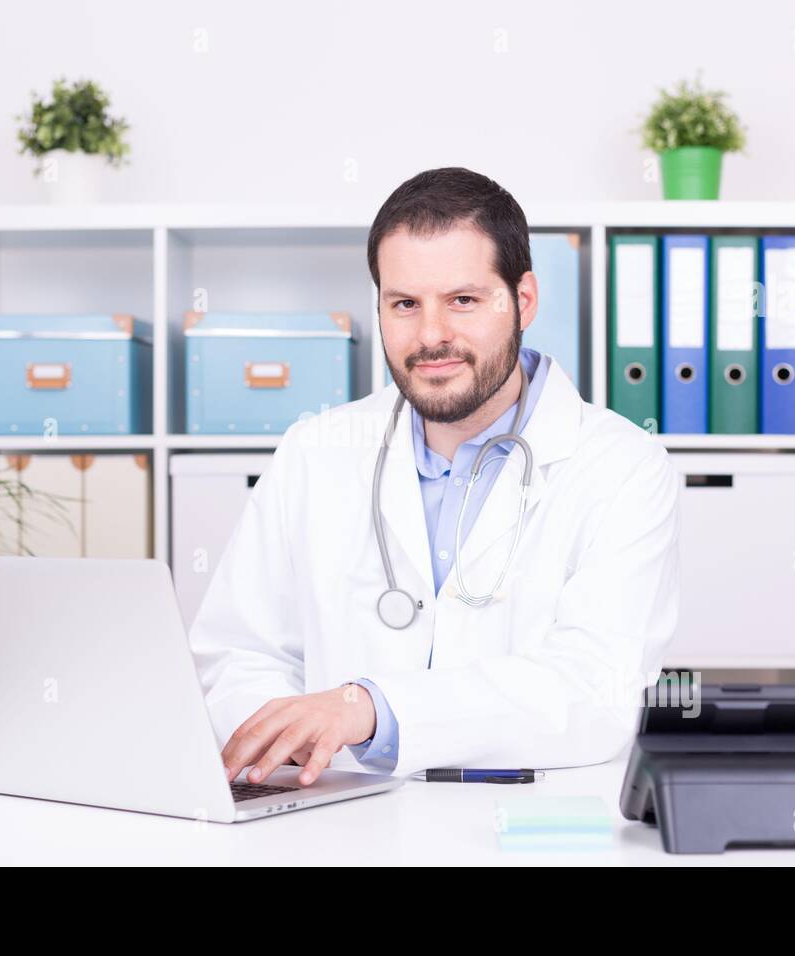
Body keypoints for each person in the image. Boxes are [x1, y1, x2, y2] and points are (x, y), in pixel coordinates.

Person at [189, 167, 680, 787]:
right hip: (339, 820)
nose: (431, 337)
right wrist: (281, 747)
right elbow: (240, 652)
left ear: (522, 299)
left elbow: (595, 687)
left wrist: (367, 710)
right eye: (404, 305)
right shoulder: (315, 450)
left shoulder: (622, 467)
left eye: (463, 300)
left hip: (529, 830)